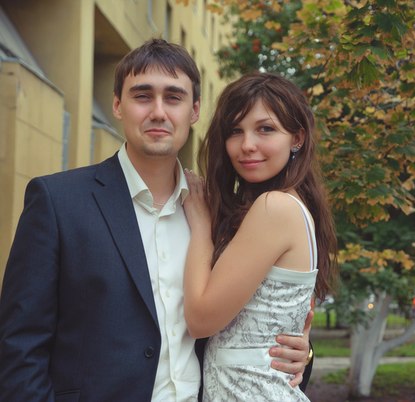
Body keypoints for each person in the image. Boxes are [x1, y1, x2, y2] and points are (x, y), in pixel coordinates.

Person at [0, 39, 311, 402]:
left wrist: (302, 354)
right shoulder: (58, 202)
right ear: (118, 105)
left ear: (194, 110)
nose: (159, 112)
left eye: (174, 97)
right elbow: (19, 345)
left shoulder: (221, 212)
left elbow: (260, 323)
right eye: (143, 96)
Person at [182, 72, 339, 401]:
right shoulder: (285, 206)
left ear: (297, 138)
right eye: (235, 131)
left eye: (265, 129)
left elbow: (200, 320)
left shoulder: (274, 207)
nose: (247, 145)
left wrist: (200, 225)